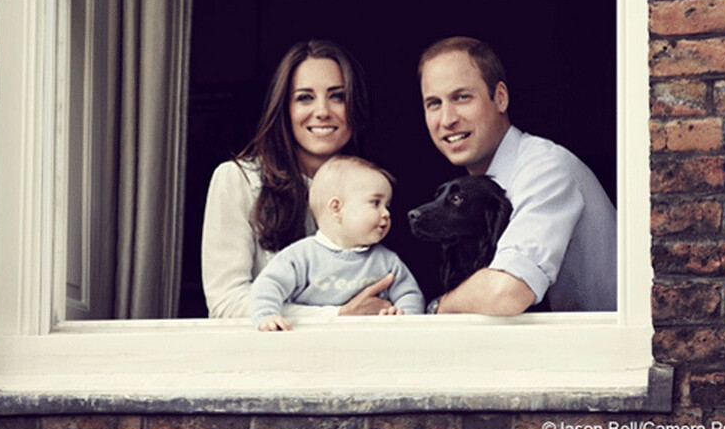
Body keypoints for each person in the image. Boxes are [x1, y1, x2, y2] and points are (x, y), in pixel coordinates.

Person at [417, 36, 616, 314]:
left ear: (500, 97)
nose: (447, 119)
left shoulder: (546, 168)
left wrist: (439, 308)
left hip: (605, 354)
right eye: (434, 104)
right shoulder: (477, 192)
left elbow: (506, 293)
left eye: (462, 97)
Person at [201, 40, 397, 318]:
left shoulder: (374, 186)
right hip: (269, 355)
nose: (322, 111)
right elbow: (226, 303)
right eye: (305, 97)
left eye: (338, 96)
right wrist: (337, 315)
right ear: (284, 108)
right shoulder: (238, 180)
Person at [250, 156, 424, 331]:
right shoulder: (301, 256)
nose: (386, 213)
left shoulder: (387, 261)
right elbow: (268, 286)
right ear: (336, 208)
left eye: (387, 205)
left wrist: (403, 318)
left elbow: (410, 294)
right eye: (375, 203)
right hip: (311, 345)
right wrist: (267, 315)